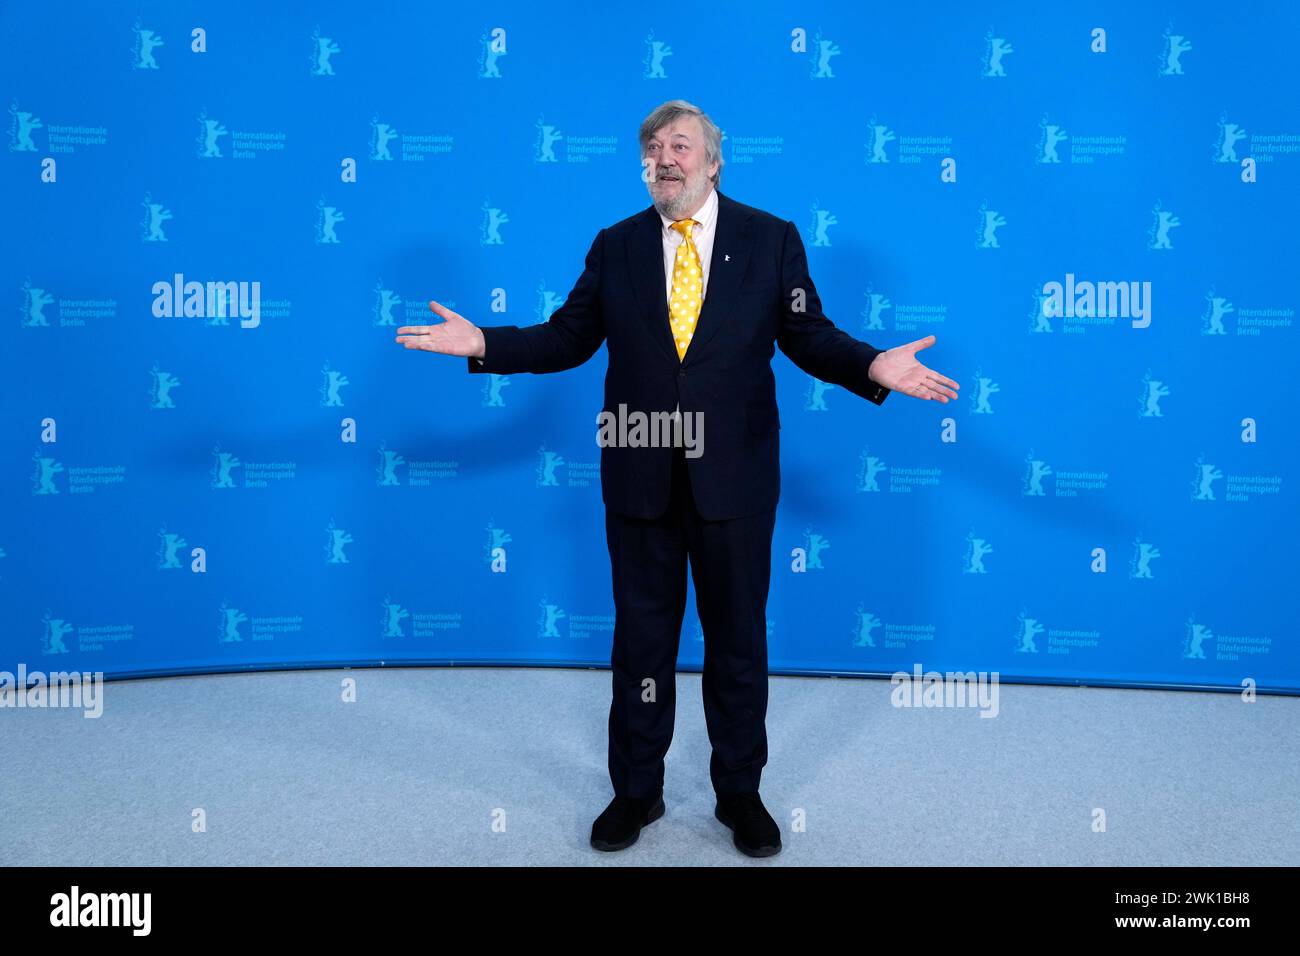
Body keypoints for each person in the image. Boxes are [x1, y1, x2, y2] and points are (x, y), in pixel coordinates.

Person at [396, 99, 958, 858]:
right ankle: (636, 793)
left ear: (713, 159)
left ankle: (740, 794)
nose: (666, 157)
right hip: (640, 476)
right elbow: (567, 337)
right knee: (642, 646)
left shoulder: (771, 240)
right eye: (653, 147)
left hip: (736, 481)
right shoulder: (617, 245)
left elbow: (807, 335)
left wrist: (871, 365)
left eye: (681, 145)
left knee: (737, 644)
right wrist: (486, 343)